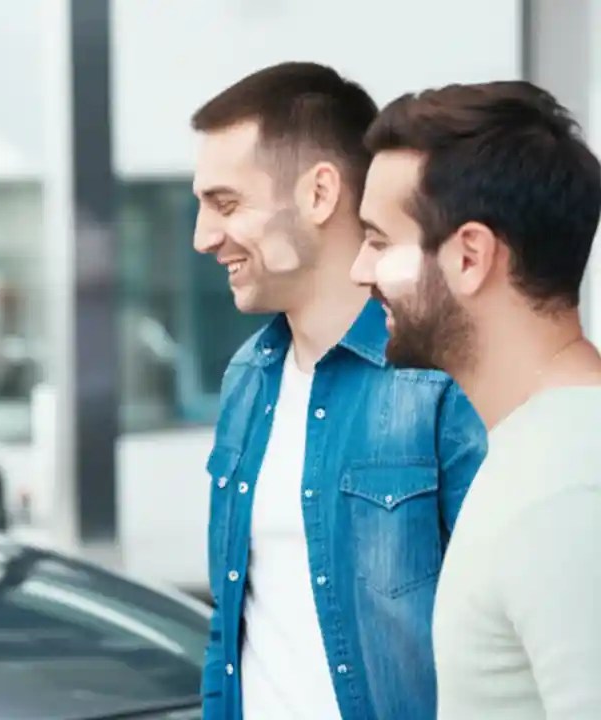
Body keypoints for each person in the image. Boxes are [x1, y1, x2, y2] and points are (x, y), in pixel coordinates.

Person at [189, 62, 487, 720]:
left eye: (226, 203)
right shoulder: (247, 379)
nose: (203, 237)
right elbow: (229, 634)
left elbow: (506, 636)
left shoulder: (439, 377)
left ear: (319, 194)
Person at [352, 80, 601, 719]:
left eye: (379, 242)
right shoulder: (543, 456)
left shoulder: (567, 490)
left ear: (469, 256)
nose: (360, 270)